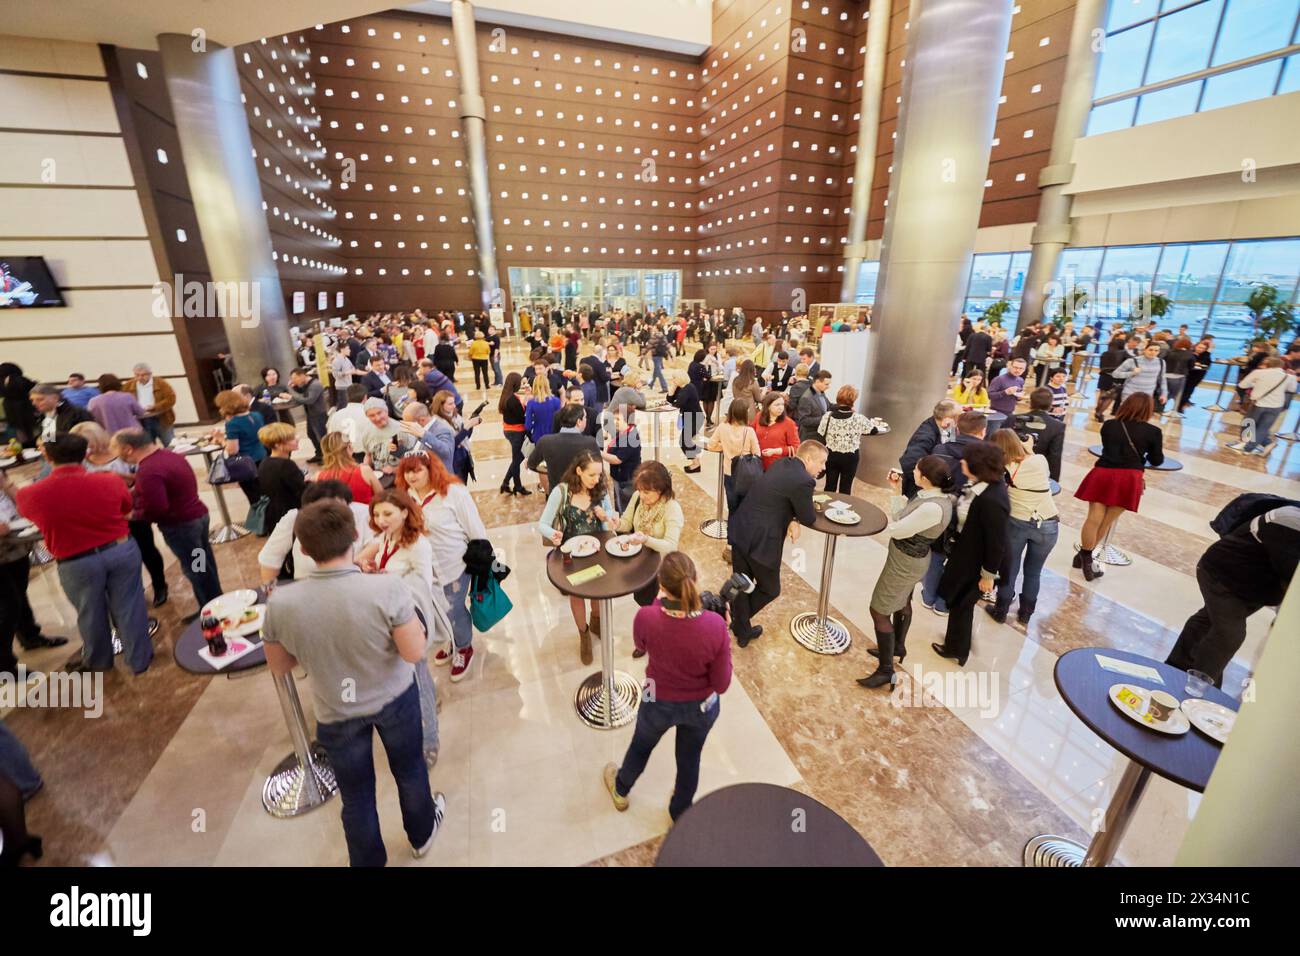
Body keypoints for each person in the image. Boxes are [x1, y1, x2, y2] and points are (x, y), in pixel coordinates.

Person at [261, 500, 446, 867]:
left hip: (335, 709)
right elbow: (413, 652)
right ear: (354, 536)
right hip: (393, 698)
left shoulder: (282, 603)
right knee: (409, 769)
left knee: (356, 794)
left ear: (303, 548)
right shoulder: (386, 589)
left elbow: (280, 665)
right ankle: (422, 835)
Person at [602, 552, 730, 820]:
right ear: (695, 580)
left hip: (654, 693)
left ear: (661, 585)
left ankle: (621, 789)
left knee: (640, 745)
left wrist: (655, 605)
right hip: (701, 706)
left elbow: (641, 645)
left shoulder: (646, 617)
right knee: (689, 759)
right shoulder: (715, 625)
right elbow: (722, 683)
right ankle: (680, 811)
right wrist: (724, 634)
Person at [16, 433, 151, 674]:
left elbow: (26, 514)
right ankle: (140, 659)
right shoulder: (109, 481)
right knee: (130, 605)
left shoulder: (32, 493)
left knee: (90, 612)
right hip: (120, 549)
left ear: (47, 456)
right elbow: (126, 508)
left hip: (76, 561)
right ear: (86, 454)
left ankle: (98, 661)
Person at [1166, 504, 1299, 687]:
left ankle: (1175, 667)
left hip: (1252, 585)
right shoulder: (1291, 523)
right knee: (1229, 634)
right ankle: (1199, 688)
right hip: (1223, 575)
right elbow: (1292, 580)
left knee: (1208, 621)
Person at [356, 489, 441, 763]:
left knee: (419, 678)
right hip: (387, 618)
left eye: (388, 513)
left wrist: (387, 580)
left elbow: (423, 586)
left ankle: (430, 740)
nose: (381, 519)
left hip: (410, 620)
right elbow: (362, 559)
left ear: (405, 512)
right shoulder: (385, 537)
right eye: (377, 514)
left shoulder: (418, 545)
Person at [857, 455, 955, 689]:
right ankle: (898, 647)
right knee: (902, 602)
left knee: (879, 610)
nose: (913, 471)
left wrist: (868, 523)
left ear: (926, 478)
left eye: (917, 469)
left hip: (905, 563)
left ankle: (885, 670)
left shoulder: (932, 507)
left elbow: (899, 529)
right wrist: (896, 490)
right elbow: (903, 518)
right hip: (911, 559)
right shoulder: (933, 498)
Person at [395, 453, 487, 682]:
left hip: (454, 564)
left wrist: (484, 560)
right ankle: (452, 639)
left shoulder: (453, 492)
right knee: (439, 609)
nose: (411, 476)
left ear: (430, 469)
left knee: (453, 609)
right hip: (425, 568)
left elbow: (474, 528)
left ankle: (464, 647)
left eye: (417, 470)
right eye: (407, 471)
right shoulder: (407, 496)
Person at [112, 429, 224, 614]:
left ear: (128, 449)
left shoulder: (148, 469)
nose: (118, 457)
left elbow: (157, 507)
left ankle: (212, 613)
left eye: (118, 451)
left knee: (197, 570)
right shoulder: (169, 455)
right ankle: (213, 603)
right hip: (197, 518)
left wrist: (132, 515)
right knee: (204, 565)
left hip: (182, 527)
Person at [726, 439, 825, 646]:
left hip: (741, 528)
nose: (822, 469)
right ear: (808, 458)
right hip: (761, 541)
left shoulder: (781, 463)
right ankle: (738, 620)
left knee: (742, 582)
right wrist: (797, 519)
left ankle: (741, 628)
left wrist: (792, 518)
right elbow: (809, 517)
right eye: (821, 462)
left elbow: (780, 497)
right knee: (771, 589)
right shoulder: (804, 481)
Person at [930, 442, 1009, 668]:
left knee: (962, 604)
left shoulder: (993, 500)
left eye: (966, 460)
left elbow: (997, 543)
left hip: (975, 562)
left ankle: (957, 648)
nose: (961, 462)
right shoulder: (980, 485)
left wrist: (988, 575)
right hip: (964, 554)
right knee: (957, 603)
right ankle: (956, 645)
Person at [73, 421, 168, 607]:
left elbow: (143, 479)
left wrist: (116, 478)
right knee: (120, 557)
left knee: (146, 548)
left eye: (87, 443)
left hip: (131, 508)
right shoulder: (82, 462)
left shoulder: (121, 455)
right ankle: (133, 591)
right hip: (105, 515)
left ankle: (159, 585)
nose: (85, 448)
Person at [1073, 392, 1163, 582]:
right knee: (1106, 521)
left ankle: (1084, 557)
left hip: (1103, 473)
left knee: (1093, 519)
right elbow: (1157, 460)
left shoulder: (1110, 425)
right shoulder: (1153, 432)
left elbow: (1109, 448)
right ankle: (1086, 559)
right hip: (1129, 478)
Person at [538, 450, 616, 665]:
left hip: (598, 552)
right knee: (577, 594)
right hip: (572, 555)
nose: (596, 480)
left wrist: (607, 517)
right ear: (578, 471)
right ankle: (584, 634)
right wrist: (553, 534)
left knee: (597, 592)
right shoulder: (562, 492)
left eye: (599, 475)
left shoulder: (600, 490)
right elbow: (542, 524)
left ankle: (597, 621)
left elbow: (612, 520)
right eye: (591, 475)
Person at [984, 429, 1057, 627]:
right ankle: (1025, 614)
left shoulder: (1005, 466)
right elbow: (1034, 462)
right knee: (1034, 572)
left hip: (1017, 522)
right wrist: (1028, 447)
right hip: (1048, 523)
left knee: (1009, 569)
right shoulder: (1040, 460)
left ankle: (1001, 610)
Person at [0, 468, 67, 670]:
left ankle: (30, 636)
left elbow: (26, 508)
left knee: (19, 594)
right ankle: (4, 666)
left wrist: (6, 484)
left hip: (13, 549)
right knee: (7, 605)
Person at [258, 479, 374, 583]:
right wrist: (271, 594)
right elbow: (270, 559)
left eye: (337, 507)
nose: (331, 514)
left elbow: (379, 541)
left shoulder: (364, 514)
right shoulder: (295, 519)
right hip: (306, 592)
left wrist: (354, 562)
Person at [616, 461, 684, 619]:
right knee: (646, 605)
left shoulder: (672, 508)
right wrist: (615, 522)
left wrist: (646, 539)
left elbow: (671, 546)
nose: (641, 495)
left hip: (662, 572)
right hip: (641, 564)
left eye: (647, 492)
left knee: (663, 613)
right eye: (639, 490)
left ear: (661, 490)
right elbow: (626, 523)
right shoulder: (637, 498)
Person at [1229, 356, 1295, 455]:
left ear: (1267, 364)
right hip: (1276, 406)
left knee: (1248, 423)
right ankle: (1255, 447)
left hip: (1258, 403)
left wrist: (1255, 384)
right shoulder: (1289, 377)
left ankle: (1245, 444)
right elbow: (1291, 390)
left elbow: (1242, 385)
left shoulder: (1258, 373)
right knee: (1263, 428)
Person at [707, 397, 761, 518]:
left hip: (729, 472)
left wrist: (723, 448)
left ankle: (732, 529)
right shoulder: (749, 431)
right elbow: (757, 453)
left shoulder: (722, 427)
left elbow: (711, 445)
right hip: (746, 474)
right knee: (746, 506)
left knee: (732, 505)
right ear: (744, 413)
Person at [214, 388, 267, 508]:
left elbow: (233, 450)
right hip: (262, 456)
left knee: (255, 498)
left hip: (246, 463)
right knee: (264, 493)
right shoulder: (256, 415)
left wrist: (221, 440)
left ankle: (260, 522)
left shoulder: (233, 423)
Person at [526, 403, 601, 488]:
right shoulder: (590, 442)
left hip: (557, 494)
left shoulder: (545, 441)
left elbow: (531, 464)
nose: (586, 420)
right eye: (585, 417)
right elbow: (598, 469)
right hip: (580, 493)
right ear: (579, 422)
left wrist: (549, 470)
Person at [816, 384, 872, 494]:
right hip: (850, 457)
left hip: (831, 455)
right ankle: (843, 509)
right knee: (845, 489)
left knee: (830, 486)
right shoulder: (858, 418)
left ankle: (826, 508)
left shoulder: (827, 416)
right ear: (853, 400)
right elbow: (872, 430)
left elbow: (821, 432)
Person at [898, 399, 960, 498]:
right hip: (918, 491)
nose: (959, 422)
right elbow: (909, 462)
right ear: (947, 419)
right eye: (958, 418)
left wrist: (951, 430)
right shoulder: (925, 435)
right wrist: (928, 485)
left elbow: (949, 446)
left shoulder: (943, 426)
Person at [257, 422, 307, 536]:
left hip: (274, 514)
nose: (297, 439)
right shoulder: (286, 465)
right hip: (290, 516)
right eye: (292, 438)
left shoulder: (265, 462)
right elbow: (302, 492)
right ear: (278, 445)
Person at [316, 431, 383, 505]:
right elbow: (381, 496)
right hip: (366, 514)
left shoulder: (318, 476)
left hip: (339, 515)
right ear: (349, 447)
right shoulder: (364, 470)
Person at [1016, 387, 1065, 483]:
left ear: (1031, 402)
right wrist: (1053, 480)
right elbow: (1054, 455)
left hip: (1013, 466)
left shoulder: (1013, 419)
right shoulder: (1057, 426)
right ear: (1051, 404)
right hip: (1038, 469)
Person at [124, 362, 177, 446]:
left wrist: (155, 407)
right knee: (148, 447)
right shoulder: (128, 386)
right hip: (141, 420)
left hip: (161, 418)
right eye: (137, 375)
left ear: (150, 374)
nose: (140, 378)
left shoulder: (161, 383)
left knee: (171, 444)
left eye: (143, 375)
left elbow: (171, 399)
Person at [285, 367, 329, 464]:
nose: (293, 380)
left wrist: (291, 397)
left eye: (295, 378)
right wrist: (294, 387)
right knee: (311, 434)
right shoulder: (306, 383)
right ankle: (319, 454)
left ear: (302, 375)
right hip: (311, 413)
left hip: (319, 414)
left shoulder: (315, 384)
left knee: (322, 436)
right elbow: (302, 392)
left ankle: (327, 458)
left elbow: (309, 400)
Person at [498, 372, 529, 495]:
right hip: (516, 432)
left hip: (508, 430)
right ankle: (518, 486)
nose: (521, 385)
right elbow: (522, 418)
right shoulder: (513, 400)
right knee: (517, 459)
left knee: (517, 458)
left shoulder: (506, 396)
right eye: (520, 383)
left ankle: (506, 483)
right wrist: (527, 405)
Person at [667, 370, 703, 473]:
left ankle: (696, 463)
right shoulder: (680, 388)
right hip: (688, 417)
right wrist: (672, 391)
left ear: (680, 378)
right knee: (685, 441)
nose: (673, 381)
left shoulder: (689, 388)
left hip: (696, 418)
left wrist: (674, 398)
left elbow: (678, 403)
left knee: (684, 441)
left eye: (674, 378)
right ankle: (696, 460)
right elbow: (670, 401)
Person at [754, 391, 800, 471]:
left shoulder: (789, 423)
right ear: (768, 406)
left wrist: (776, 451)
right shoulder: (759, 417)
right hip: (758, 464)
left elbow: (796, 448)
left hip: (778, 467)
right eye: (777, 405)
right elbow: (751, 433)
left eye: (782, 404)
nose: (780, 408)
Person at [524, 369, 562, 446]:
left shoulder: (531, 403)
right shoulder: (556, 401)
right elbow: (560, 421)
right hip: (553, 435)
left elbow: (528, 425)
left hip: (538, 436)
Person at [796, 369, 833, 443]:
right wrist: (824, 419)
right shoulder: (806, 398)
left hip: (819, 436)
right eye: (826, 384)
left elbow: (829, 405)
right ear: (817, 382)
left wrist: (843, 407)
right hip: (810, 438)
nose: (828, 387)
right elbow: (803, 420)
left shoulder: (821, 392)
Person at [987, 358, 1027, 426]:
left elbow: (1017, 396)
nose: (1017, 370)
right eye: (1015, 367)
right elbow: (989, 395)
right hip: (996, 412)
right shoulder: (999, 379)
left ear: (1024, 370)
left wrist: (1019, 397)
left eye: (1021, 368)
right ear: (1010, 366)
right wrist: (1005, 392)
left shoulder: (1020, 380)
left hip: (1010, 412)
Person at [1180, 340, 1213, 413]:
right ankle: (1179, 407)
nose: (1200, 349)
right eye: (1199, 347)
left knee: (1189, 392)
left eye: (1203, 348)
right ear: (1195, 346)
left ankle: (1181, 405)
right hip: (1188, 375)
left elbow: (1207, 364)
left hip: (1197, 376)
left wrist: (1207, 353)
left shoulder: (1205, 355)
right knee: (1183, 391)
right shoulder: (1190, 353)